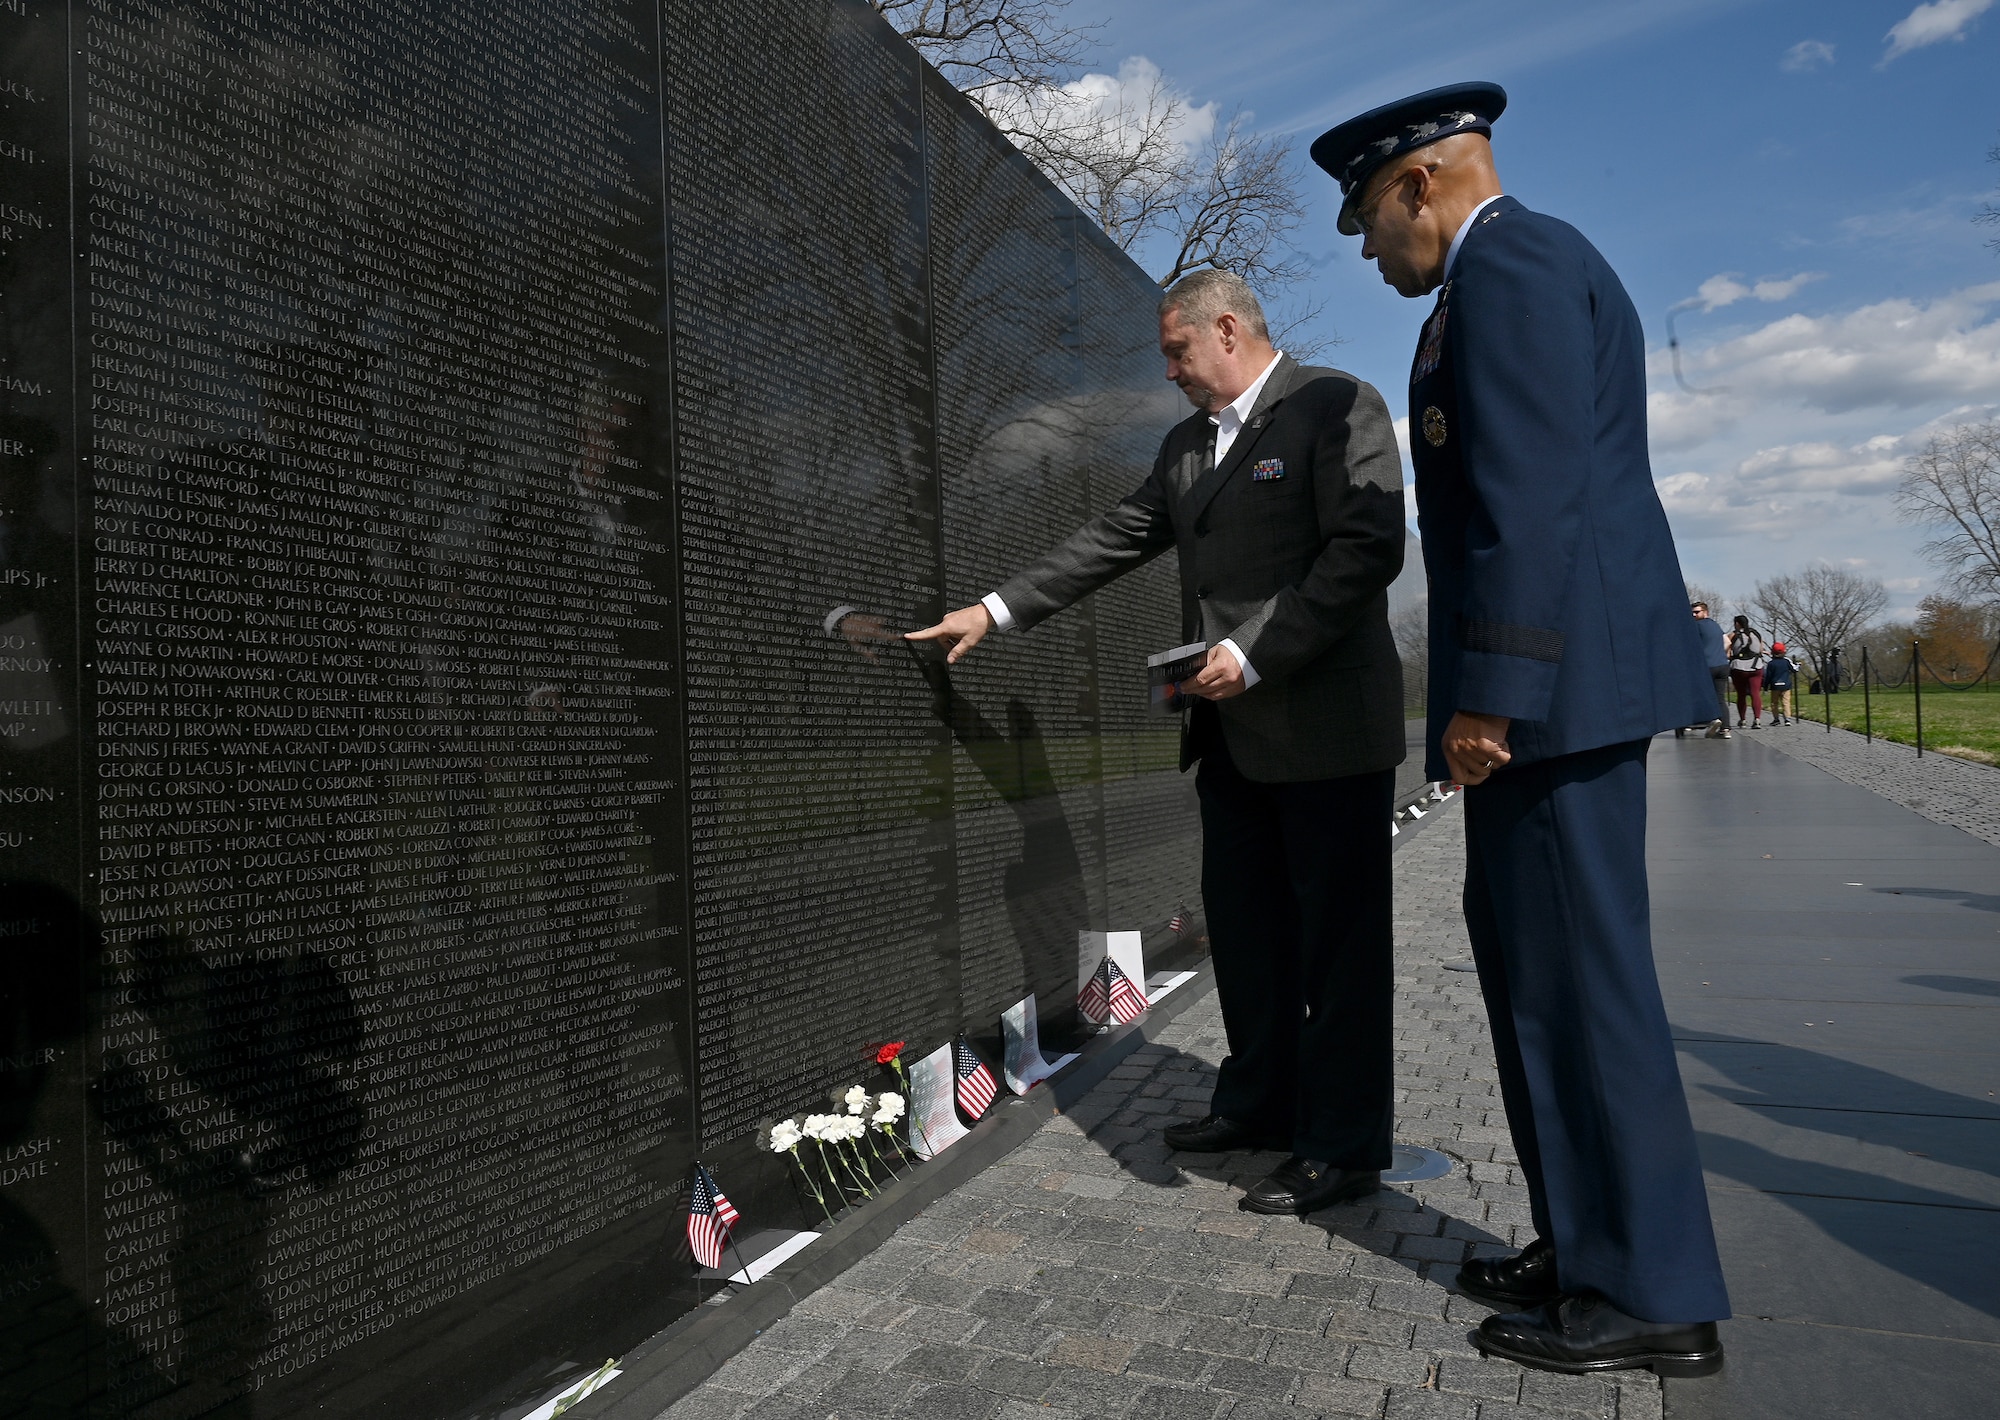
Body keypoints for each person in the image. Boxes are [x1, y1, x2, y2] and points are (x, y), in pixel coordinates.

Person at [1313, 83, 1729, 1377]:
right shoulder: (1479, 286)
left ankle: (1653, 1292)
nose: (1370, 252)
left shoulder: (1520, 264)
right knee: (1537, 984)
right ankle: (1589, 1241)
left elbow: (1534, 496)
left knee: (1588, 993)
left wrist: (1491, 692)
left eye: (1370, 222)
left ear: (1422, 183)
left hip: (1558, 698)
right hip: (1552, 693)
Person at [907, 270, 1408, 1217]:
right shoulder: (1185, 448)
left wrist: (1254, 655)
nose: (1169, 369)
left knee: (1339, 952)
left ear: (1226, 330)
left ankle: (1342, 1148)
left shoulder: (1335, 406)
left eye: (1177, 350)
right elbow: (1113, 538)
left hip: (1327, 733)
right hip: (1229, 743)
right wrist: (993, 608)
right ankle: (1261, 1104)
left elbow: (1367, 548)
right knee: (1250, 936)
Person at [1684, 602, 1729, 739]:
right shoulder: (1716, 625)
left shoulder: (1696, 626)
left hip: (1707, 666)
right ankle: (1725, 729)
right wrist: (1720, 654)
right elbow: (1727, 642)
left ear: (1705, 612)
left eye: (1697, 612)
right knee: (1720, 698)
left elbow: (1689, 645)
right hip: (1722, 665)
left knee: (1700, 695)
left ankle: (1708, 720)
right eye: (1692, 612)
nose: (1693, 614)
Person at [1726, 615, 1768, 729]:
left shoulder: (1733, 635)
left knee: (1741, 695)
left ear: (1737, 624)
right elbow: (1760, 650)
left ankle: (1743, 719)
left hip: (1739, 668)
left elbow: (1727, 651)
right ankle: (1757, 719)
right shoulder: (1756, 634)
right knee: (1755, 694)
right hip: (1756, 666)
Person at [1764, 641, 1796, 725]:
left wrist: (1765, 687)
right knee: (1786, 702)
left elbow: (1768, 676)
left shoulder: (1771, 664)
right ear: (1783, 652)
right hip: (1786, 686)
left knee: (1774, 703)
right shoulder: (1786, 662)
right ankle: (1787, 719)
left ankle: (1776, 719)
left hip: (1775, 686)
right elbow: (1793, 670)